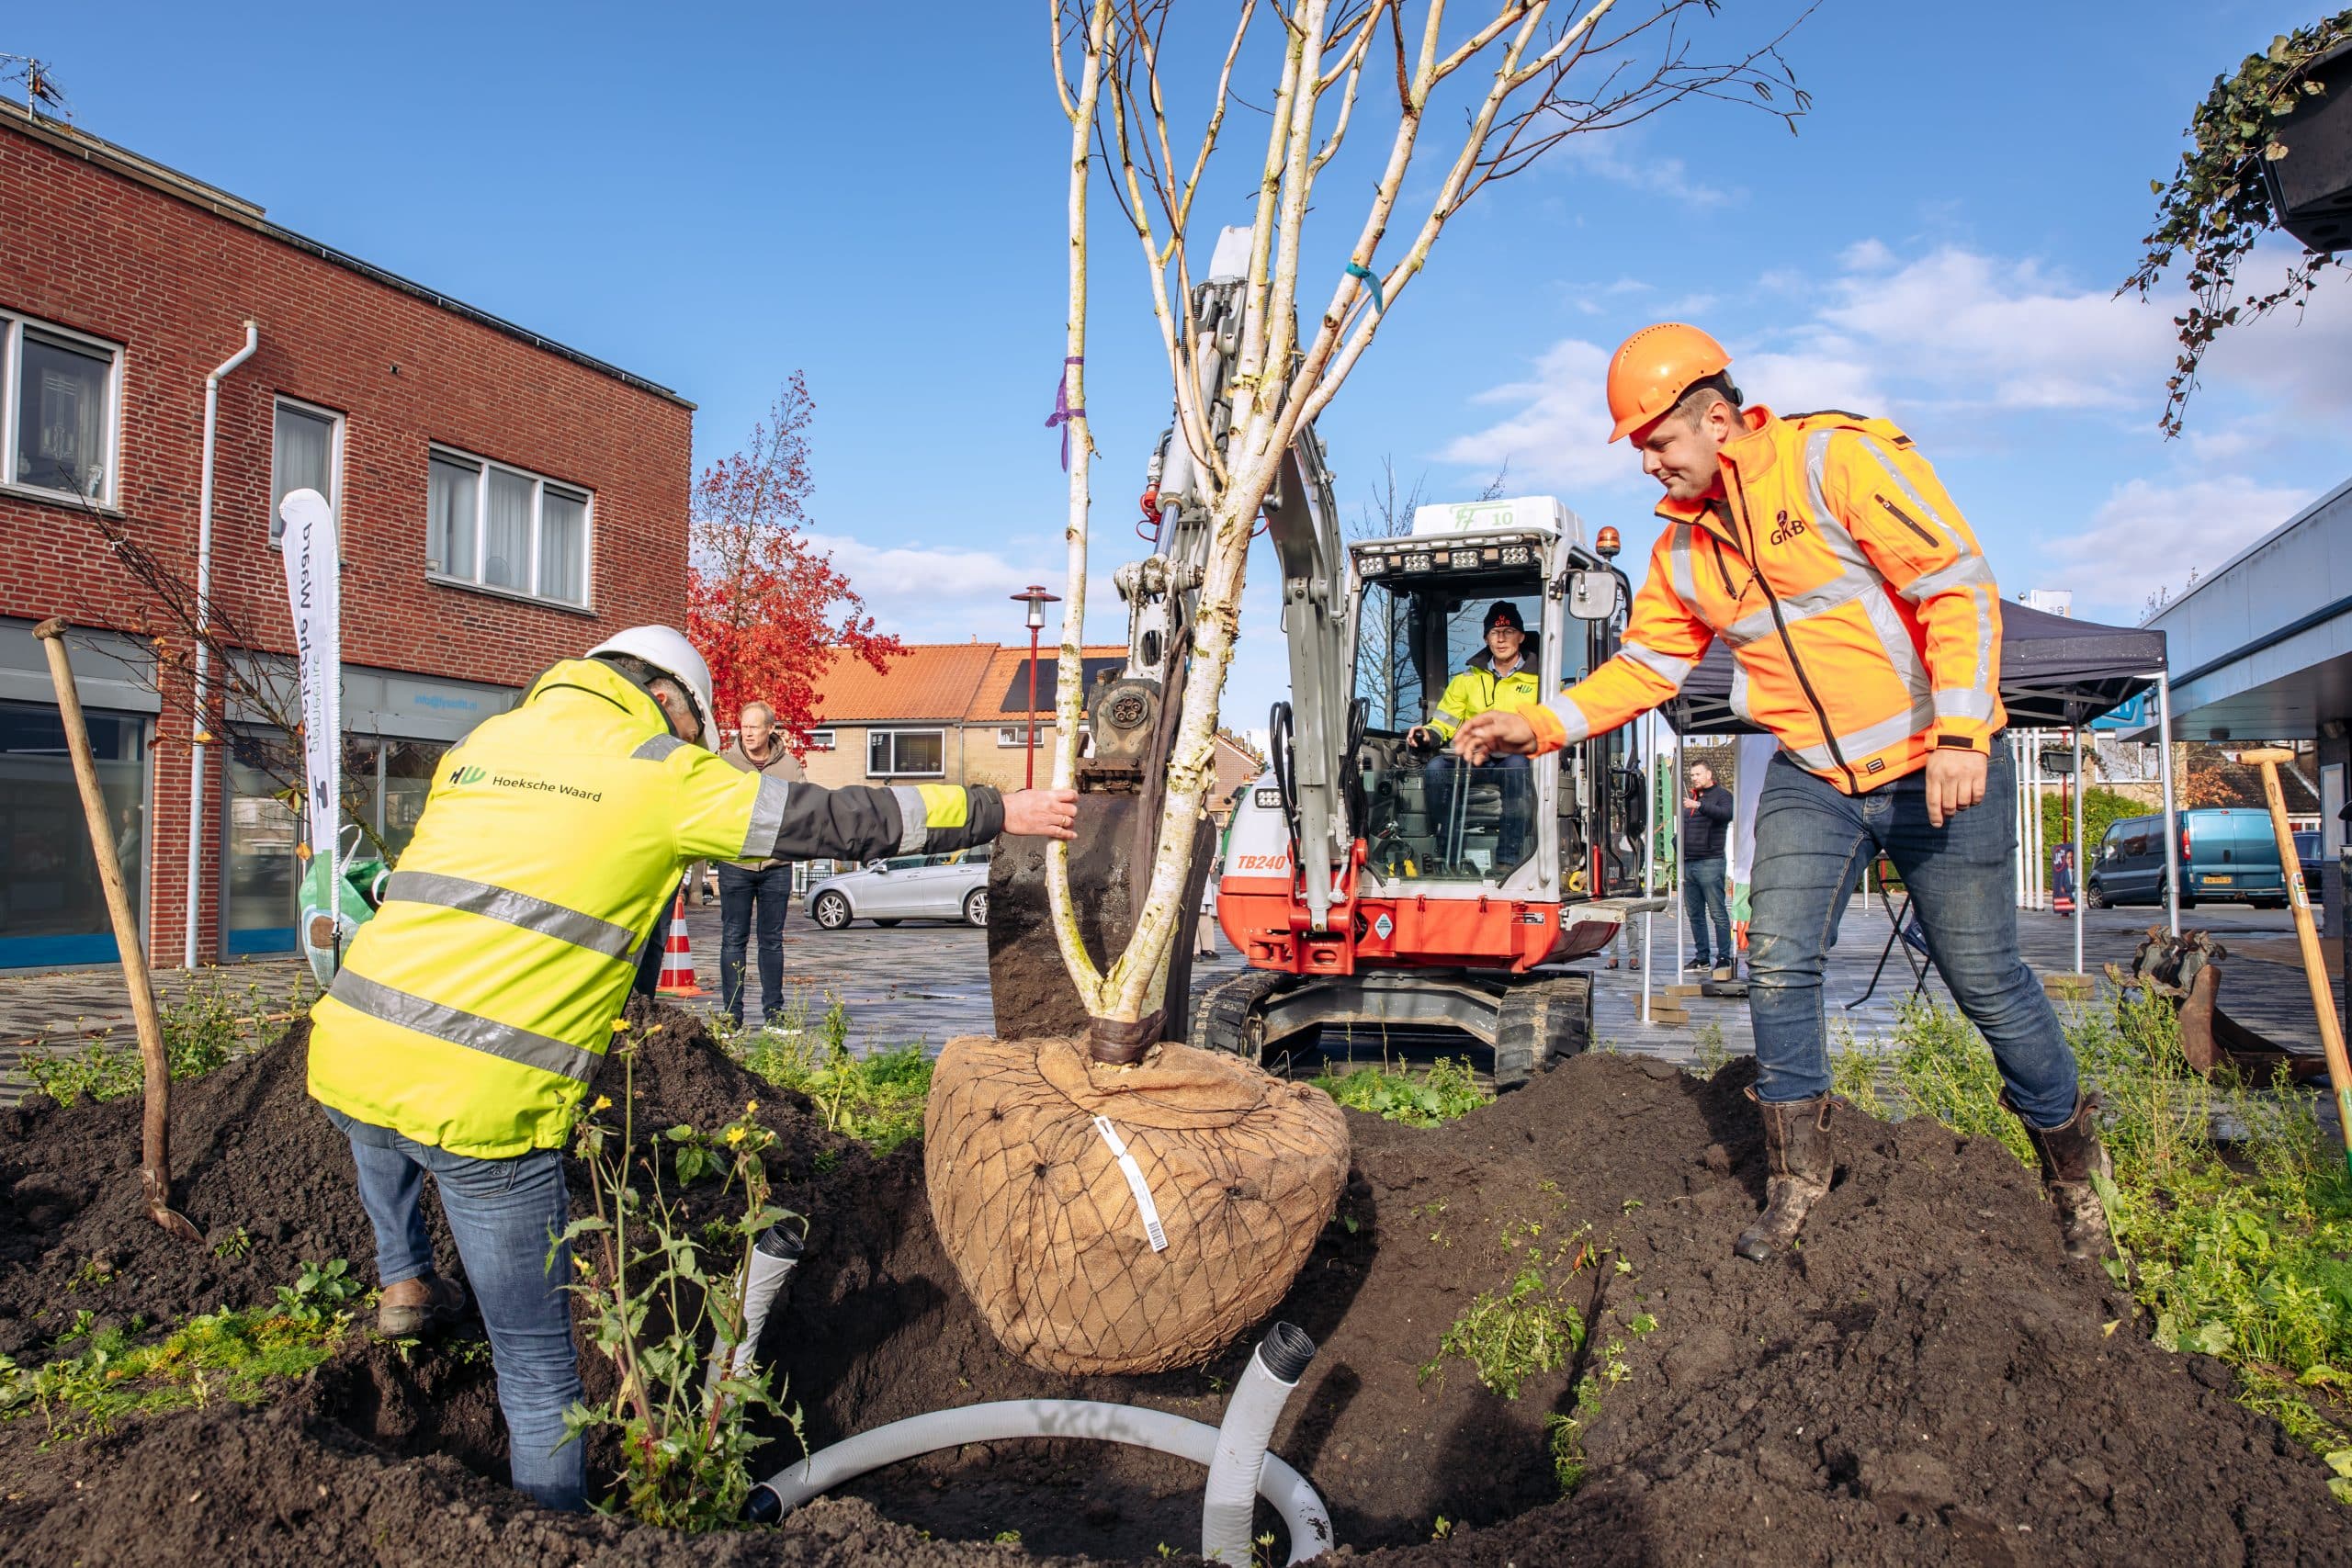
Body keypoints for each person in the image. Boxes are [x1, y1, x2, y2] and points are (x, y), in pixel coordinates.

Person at [304, 626, 1076, 1510]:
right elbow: (832, 820)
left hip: (351, 1039)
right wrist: (992, 810)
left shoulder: (485, 741)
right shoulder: (661, 772)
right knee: (534, 1369)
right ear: (671, 700)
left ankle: (403, 1272)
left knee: (381, 1114)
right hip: (484, 1095)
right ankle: (548, 1531)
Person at [1453, 323, 2110, 1265]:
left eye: (1656, 443)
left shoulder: (1834, 461)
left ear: (1716, 420)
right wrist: (1543, 722)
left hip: (1937, 758)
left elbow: (1954, 586)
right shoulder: (1680, 550)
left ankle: (2074, 1183)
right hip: (1815, 773)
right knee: (1776, 960)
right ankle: (1798, 1178)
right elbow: (1645, 667)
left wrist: (1965, 731)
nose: (1647, 465)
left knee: (1987, 983)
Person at [1409, 602, 1541, 874]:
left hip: (1515, 760)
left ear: (1521, 636)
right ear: (1486, 639)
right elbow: (1444, 722)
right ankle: (1445, 854)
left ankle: (1507, 859)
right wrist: (1426, 735)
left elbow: (1550, 724)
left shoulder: (1542, 679)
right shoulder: (1466, 680)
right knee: (1436, 769)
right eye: (1495, 632)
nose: (1501, 638)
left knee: (1518, 765)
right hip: (1475, 759)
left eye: (1508, 631)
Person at [718, 701, 805, 1029]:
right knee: (732, 940)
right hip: (735, 864)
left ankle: (775, 1016)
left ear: (771, 729)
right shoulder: (725, 764)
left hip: (776, 866)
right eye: (744, 726)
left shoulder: (790, 768)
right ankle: (731, 1017)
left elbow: (801, 812)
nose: (748, 732)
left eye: (755, 726)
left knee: (772, 941)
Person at [1681, 761, 1735, 978]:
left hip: (1710, 862)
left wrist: (1700, 806)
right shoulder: (1693, 798)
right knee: (1694, 914)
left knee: (1717, 912)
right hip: (1689, 862)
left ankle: (1724, 957)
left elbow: (1726, 814)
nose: (1694, 778)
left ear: (1709, 774)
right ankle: (1702, 957)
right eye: (1692, 775)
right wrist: (1678, 843)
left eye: (1698, 774)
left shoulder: (1722, 795)